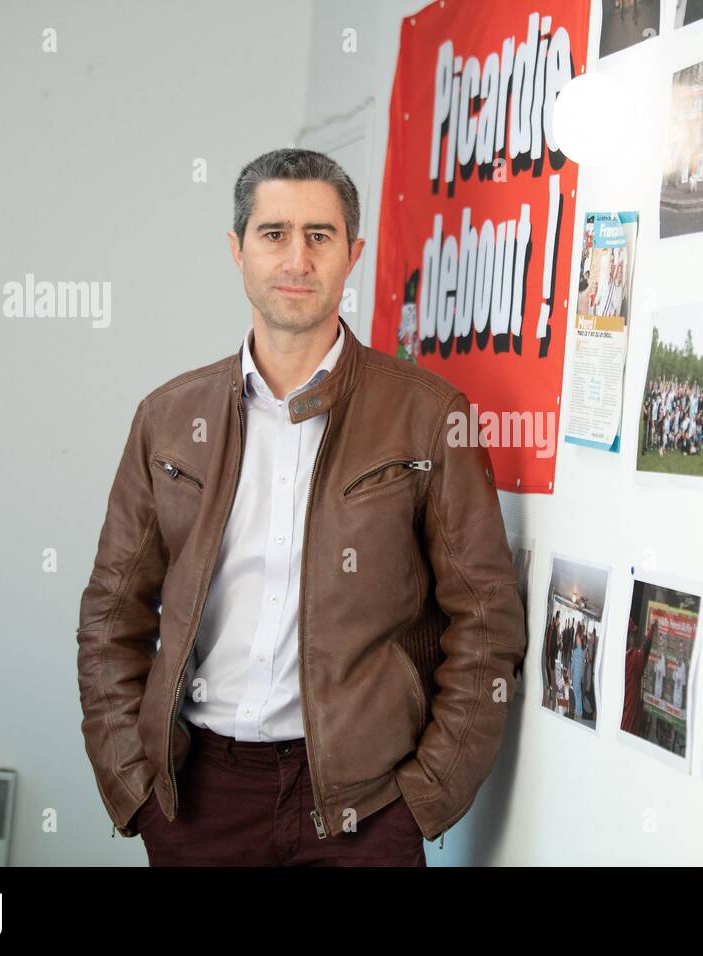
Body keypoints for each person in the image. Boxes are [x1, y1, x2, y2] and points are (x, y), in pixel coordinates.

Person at [76, 148, 526, 866]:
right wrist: (132, 789)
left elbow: (487, 622)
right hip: (198, 804)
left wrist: (422, 802)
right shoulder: (167, 419)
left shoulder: (429, 416)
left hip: (364, 807)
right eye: (273, 233)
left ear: (353, 254)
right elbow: (111, 613)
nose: (296, 258)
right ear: (237, 250)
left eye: (319, 236)